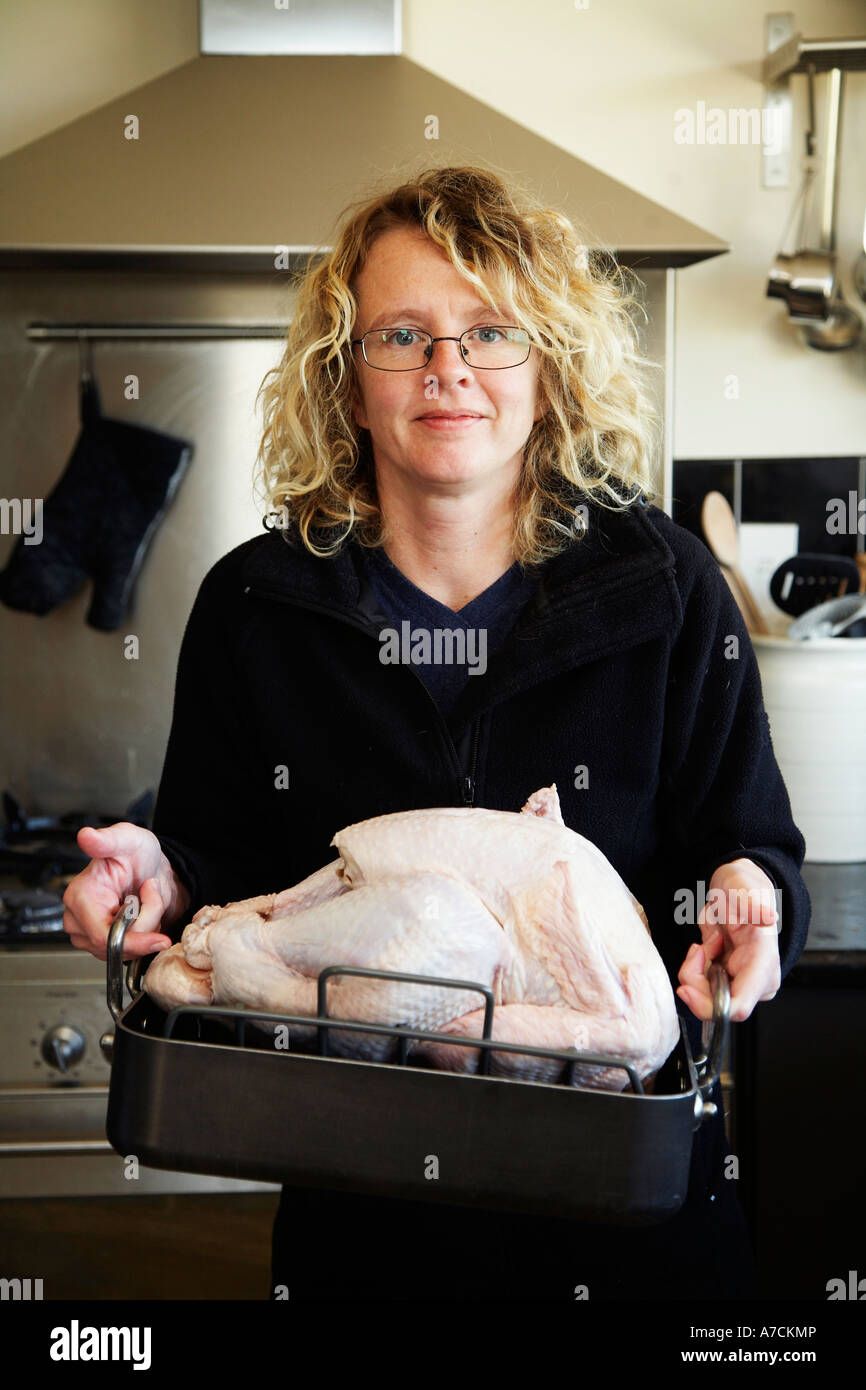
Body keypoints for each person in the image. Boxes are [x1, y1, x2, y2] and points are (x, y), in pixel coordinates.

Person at [62, 164, 810, 1301]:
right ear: (345, 379)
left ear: (546, 370)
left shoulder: (663, 589)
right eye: (401, 334)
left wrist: (749, 903)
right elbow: (225, 871)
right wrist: (154, 878)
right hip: (363, 1223)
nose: (446, 367)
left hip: (631, 1218)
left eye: (490, 331)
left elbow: (748, 845)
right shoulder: (257, 607)